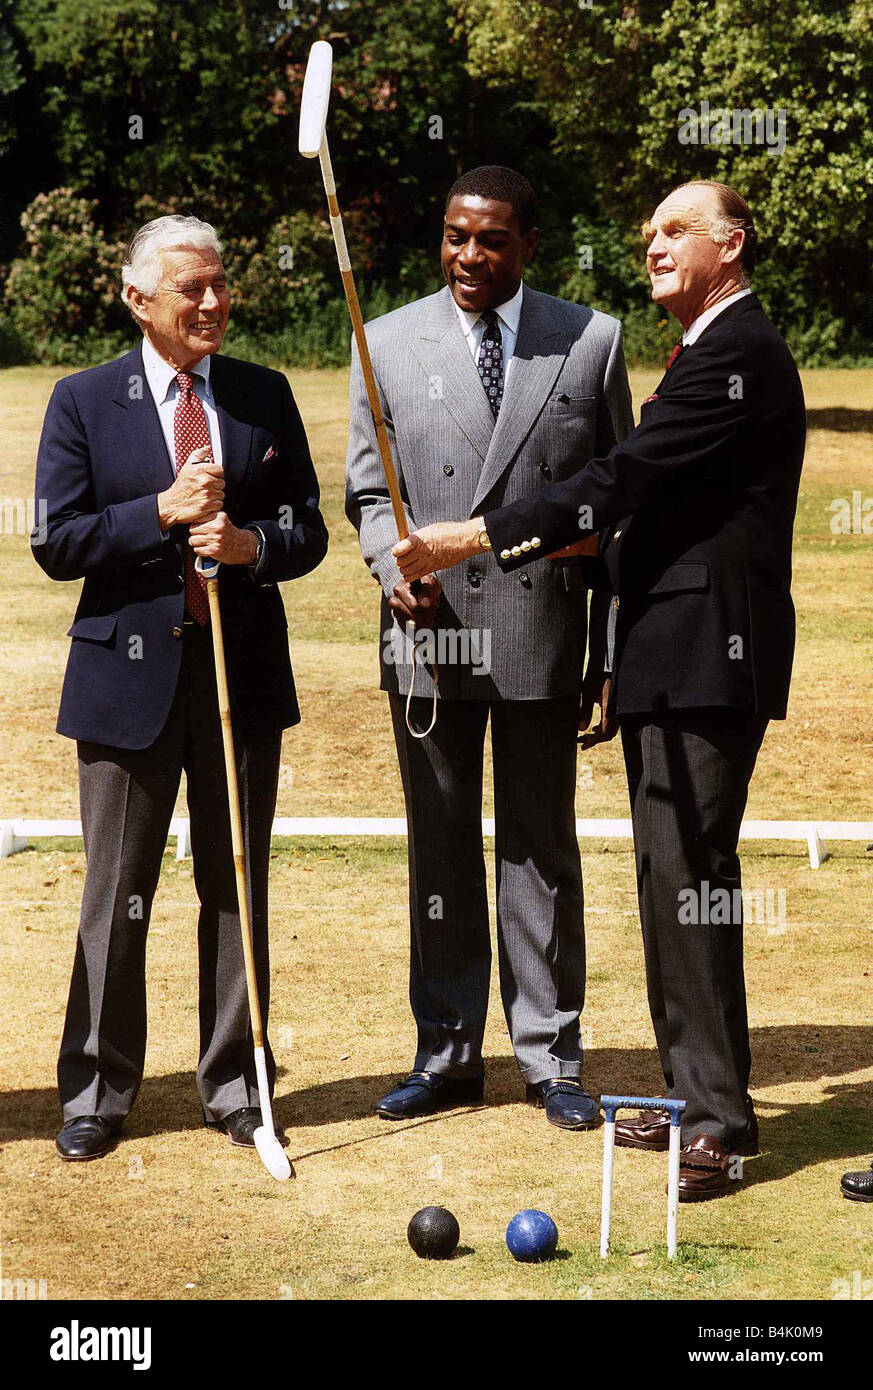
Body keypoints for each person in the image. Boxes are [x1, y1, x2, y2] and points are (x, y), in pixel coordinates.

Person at [392, 181, 807, 1198]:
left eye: (676, 230)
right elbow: (638, 509)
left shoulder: (738, 355)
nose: (651, 243)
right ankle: (690, 1101)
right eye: (650, 230)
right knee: (670, 884)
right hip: (672, 658)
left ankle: (716, 1121)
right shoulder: (705, 352)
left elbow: (613, 479)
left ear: (732, 244)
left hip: (713, 656)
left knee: (693, 882)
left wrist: (469, 535)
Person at [32, 215, 328, 1162]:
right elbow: (55, 540)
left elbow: (310, 528)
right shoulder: (83, 402)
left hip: (240, 678)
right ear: (137, 301)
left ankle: (237, 1083)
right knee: (117, 891)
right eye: (190, 289)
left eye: (220, 284)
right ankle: (95, 1090)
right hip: (125, 686)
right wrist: (157, 512)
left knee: (236, 882)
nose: (211, 303)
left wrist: (254, 546)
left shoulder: (260, 393)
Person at [346, 166, 633, 1129]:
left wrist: (608, 652)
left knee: (540, 849)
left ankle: (550, 1056)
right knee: (439, 847)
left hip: (543, 635)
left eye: (492, 240)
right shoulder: (382, 340)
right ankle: (447, 1051)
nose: (469, 256)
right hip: (428, 643)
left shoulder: (589, 342)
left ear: (528, 246)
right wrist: (394, 565)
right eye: (454, 235)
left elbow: (613, 505)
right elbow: (367, 491)